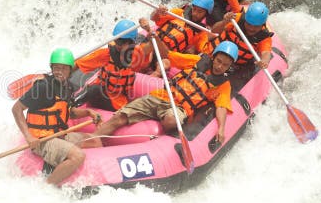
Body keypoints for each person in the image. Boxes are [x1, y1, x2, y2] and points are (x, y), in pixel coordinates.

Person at [91, 33, 238, 145]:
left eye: (225, 65)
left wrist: (221, 128)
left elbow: (221, 107)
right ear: (213, 57)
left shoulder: (223, 84)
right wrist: (156, 39)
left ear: (229, 67)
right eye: (218, 61)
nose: (219, 66)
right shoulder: (197, 61)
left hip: (179, 109)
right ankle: (93, 140)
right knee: (119, 117)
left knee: (170, 121)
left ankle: (159, 140)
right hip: (159, 96)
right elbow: (168, 55)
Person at [12, 48, 103, 186]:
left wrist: (88, 112)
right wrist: (29, 137)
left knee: (95, 141)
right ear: (52, 68)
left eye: (63, 68)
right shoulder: (43, 87)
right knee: (78, 156)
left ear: (70, 70)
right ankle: (47, 187)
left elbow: (69, 111)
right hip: (42, 139)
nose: (59, 71)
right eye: (56, 68)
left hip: (59, 134)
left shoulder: (68, 87)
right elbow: (16, 109)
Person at [73, 19, 151, 112]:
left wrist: (148, 29)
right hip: (101, 93)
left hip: (119, 100)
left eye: (122, 42)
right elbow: (78, 64)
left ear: (131, 43)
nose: (118, 45)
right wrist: (62, 72)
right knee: (94, 89)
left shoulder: (137, 54)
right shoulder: (106, 54)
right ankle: (71, 105)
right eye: (117, 40)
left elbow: (151, 44)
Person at [212, 1, 274, 91]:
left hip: (236, 66)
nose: (251, 28)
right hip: (218, 57)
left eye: (256, 26)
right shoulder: (236, 19)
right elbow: (214, 31)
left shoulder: (264, 37)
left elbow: (266, 53)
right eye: (249, 24)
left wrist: (264, 62)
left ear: (262, 25)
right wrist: (224, 22)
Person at [150, 0, 220, 56]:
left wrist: (194, 49)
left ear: (206, 14)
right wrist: (158, 11)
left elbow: (202, 50)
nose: (195, 13)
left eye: (200, 11)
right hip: (152, 41)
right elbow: (153, 18)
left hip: (165, 54)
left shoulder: (201, 32)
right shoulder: (178, 13)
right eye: (194, 9)